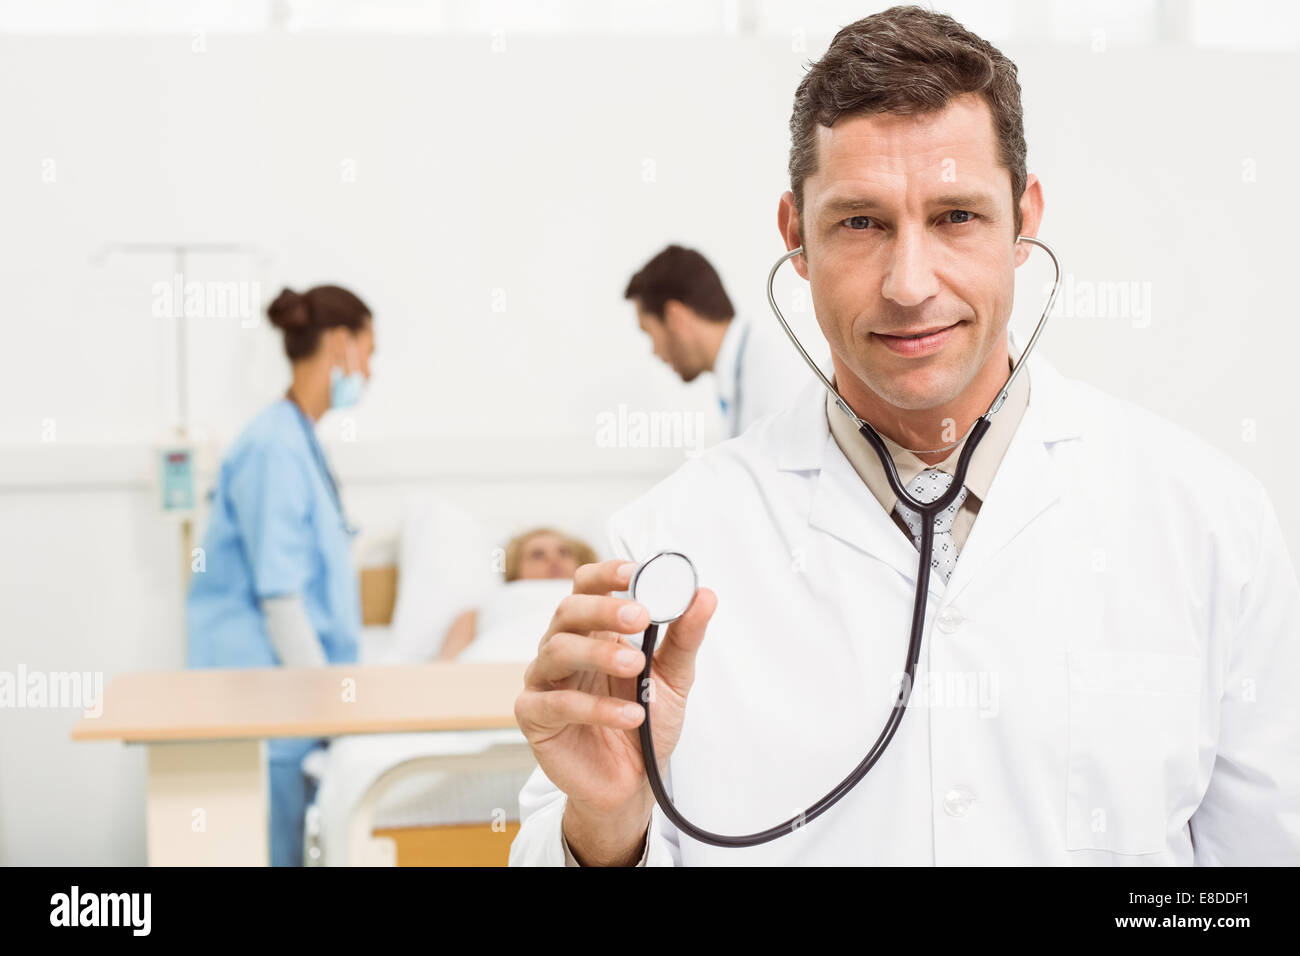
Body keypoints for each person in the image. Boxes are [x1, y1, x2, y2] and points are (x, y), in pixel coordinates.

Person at [510, 6, 1300, 866]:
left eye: (957, 215)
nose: (910, 283)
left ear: (1024, 220)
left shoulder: (1213, 523)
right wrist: (605, 831)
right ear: (795, 236)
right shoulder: (669, 551)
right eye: (861, 222)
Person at [187, 283, 375, 867]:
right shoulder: (274, 447)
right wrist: (328, 706)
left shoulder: (295, 439)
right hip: (268, 700)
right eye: (369, 351)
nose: (370, 369)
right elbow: (281, 597)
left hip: (286, 700)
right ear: (340, 344)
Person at [624, 244, 809, 438]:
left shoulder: (775, 374)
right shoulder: (742, 369)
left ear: (675, 318)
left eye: (649, 332)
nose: (655, 352)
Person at [438, 528, 597, 661]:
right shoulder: (478, 613)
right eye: (537, 555)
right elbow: (442, 672)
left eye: (564, 552)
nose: (553, 559)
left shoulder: (602, 599)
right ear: (515, 568)